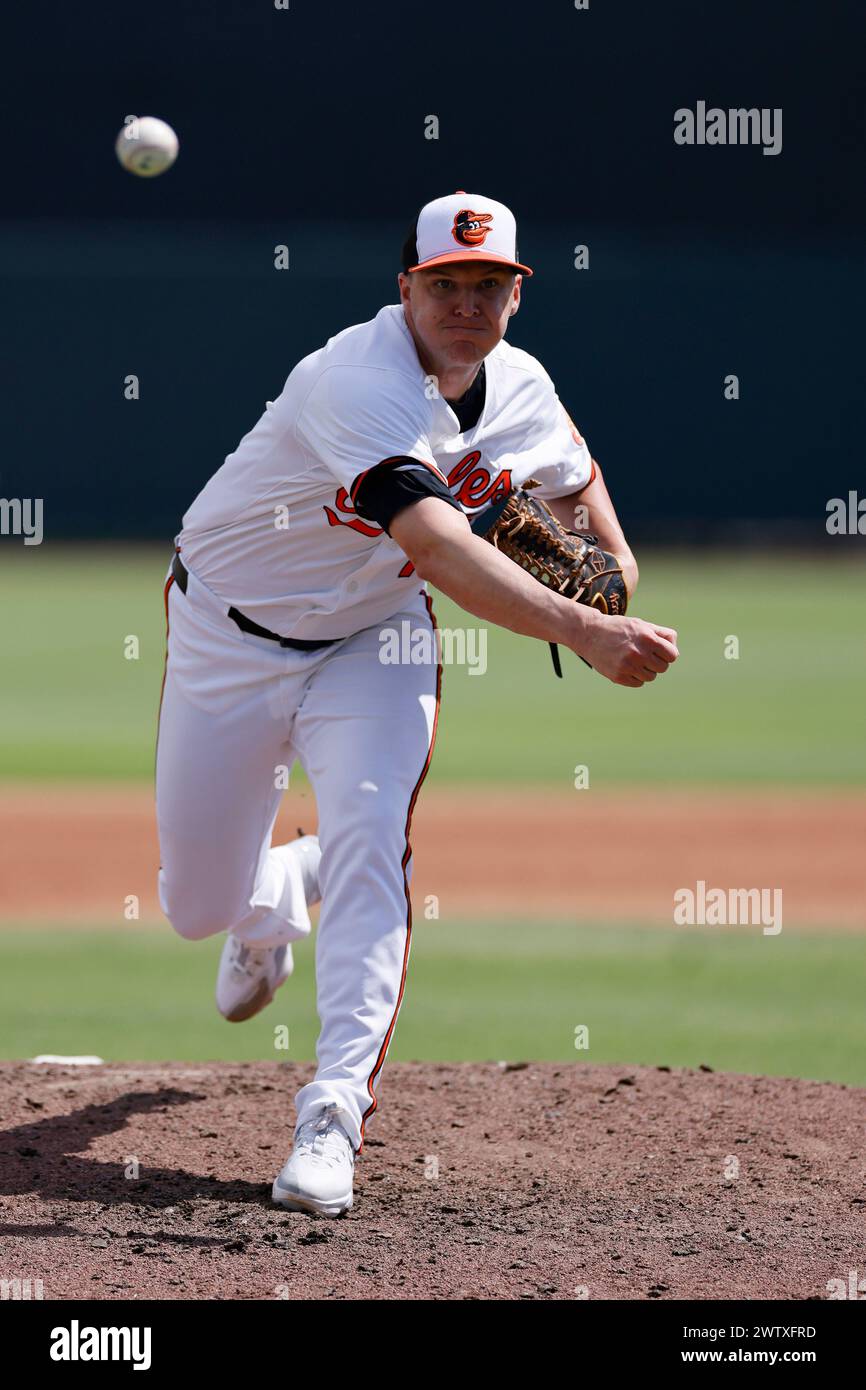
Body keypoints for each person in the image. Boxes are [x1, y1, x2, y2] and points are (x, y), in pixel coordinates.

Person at [155, 190, 678, 1218]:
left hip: (374, 642)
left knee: (373, 842)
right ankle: (275, 887)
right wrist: (580, 630)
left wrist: (611, 563)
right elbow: (436, 547)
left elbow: (571, 474)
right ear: (405, 288)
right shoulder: (355, 380)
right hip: (228, 630)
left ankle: (331, 1116)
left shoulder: (520, 384)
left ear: (517, 297)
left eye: (490, 285)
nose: (467, 302)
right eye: (446, 283)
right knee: (194, 907)